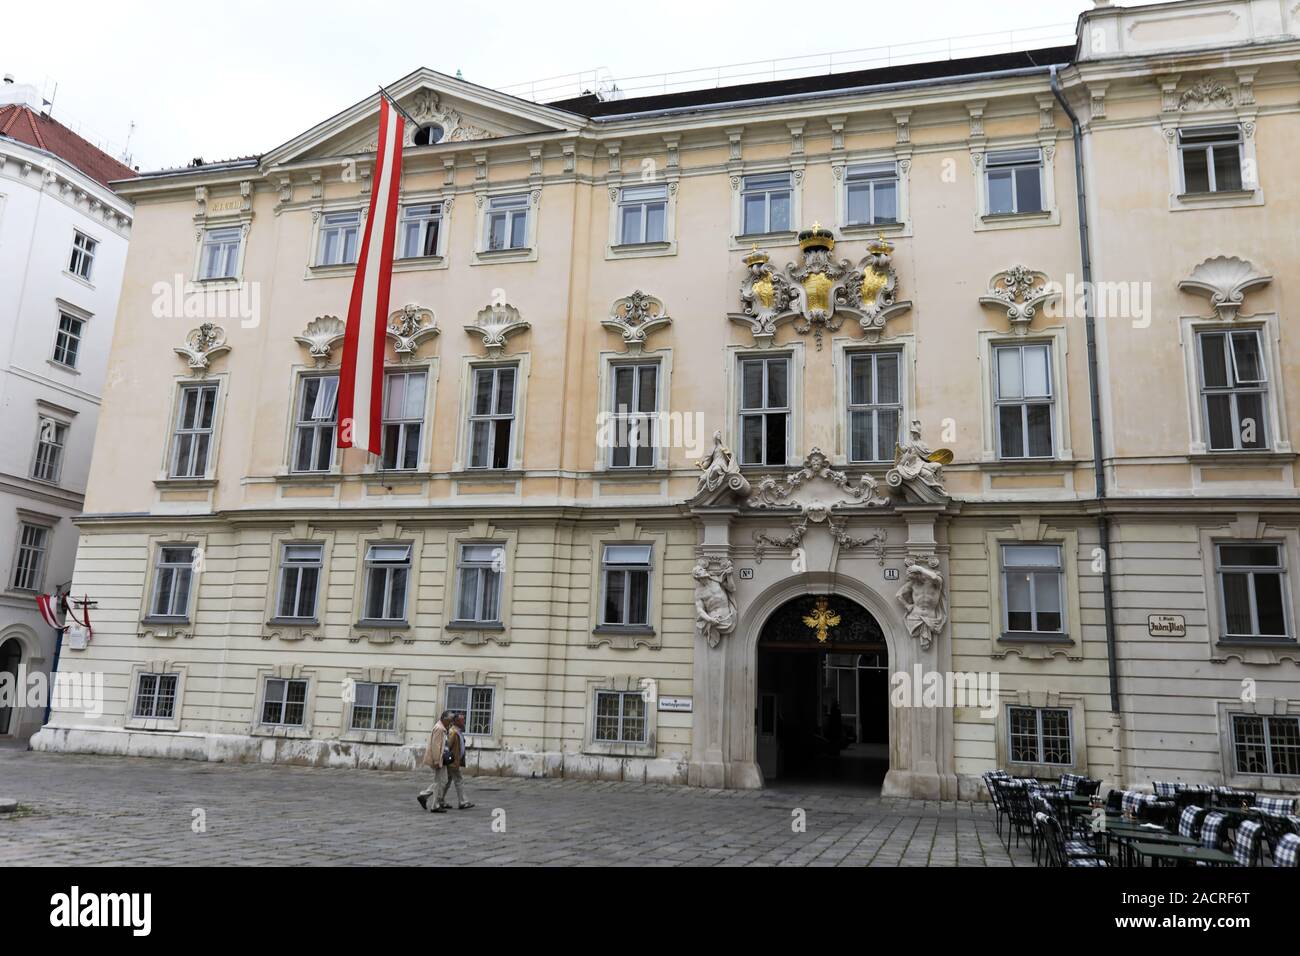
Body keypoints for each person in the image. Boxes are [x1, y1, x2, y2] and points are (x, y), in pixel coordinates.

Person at [417, 711, 453, 811]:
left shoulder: (442, 728)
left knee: (442, 781)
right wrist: (437, 760)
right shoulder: (439, 729)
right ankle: (435, 805)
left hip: (442, 759)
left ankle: (424, 796)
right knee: (440, 781)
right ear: (444, 719)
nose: (451, 722)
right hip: (439, 759)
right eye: (449, 720)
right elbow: (436, 746)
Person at [438, 714, 474, 811]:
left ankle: (439, 800)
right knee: (458, 780)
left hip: (455, 761)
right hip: (452, 762)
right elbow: (448, 746)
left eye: (463, 720)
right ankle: (463, 802)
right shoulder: (453, 732)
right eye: (462, 720)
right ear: (456, 721)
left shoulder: (458, 731)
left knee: (447, 782)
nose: (464, 722)